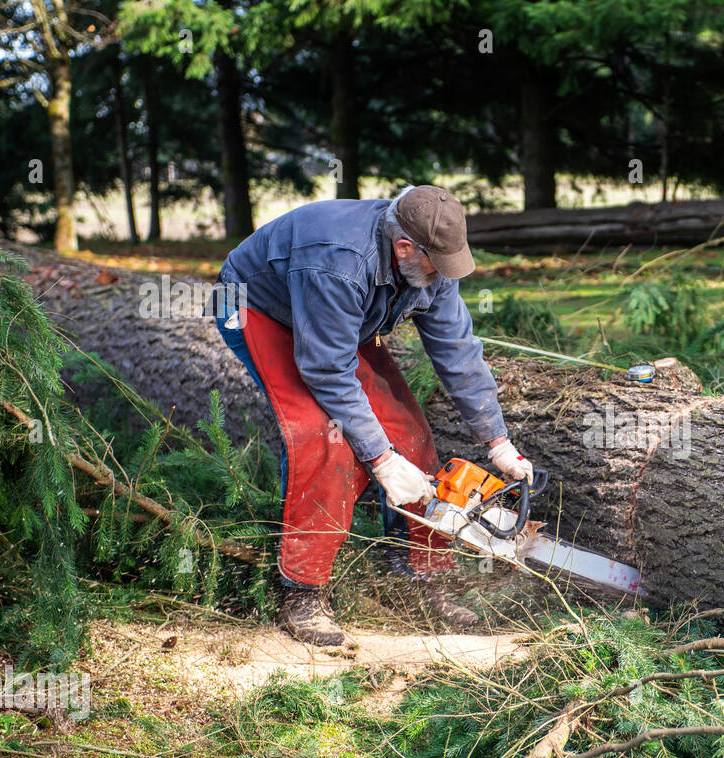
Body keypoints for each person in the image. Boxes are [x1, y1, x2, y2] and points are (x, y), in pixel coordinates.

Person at [208, 185, 532, 646]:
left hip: (337, 316)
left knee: (411, 436)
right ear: (405, 247)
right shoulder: (337, 261)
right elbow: (325, 368)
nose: (444, 276)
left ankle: (417, 578)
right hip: (258, 306)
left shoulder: (430, 257)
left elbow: (457, 350)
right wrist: (381, 459)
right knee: (326, 438)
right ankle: (302, 592)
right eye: (437, 266)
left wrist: (497, 441)